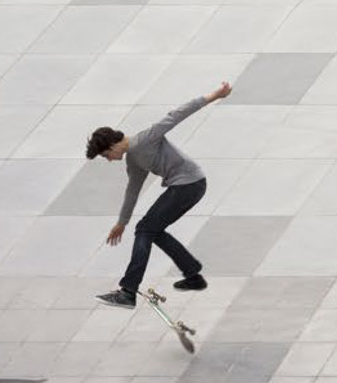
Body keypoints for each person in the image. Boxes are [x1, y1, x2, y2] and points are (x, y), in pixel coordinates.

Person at [87, 82, 233, 307]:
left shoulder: (146, 138)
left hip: (189, 184)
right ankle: (193, 275)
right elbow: (132, 191)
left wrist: (215, 95)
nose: (108, 159)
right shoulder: (133, 160)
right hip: (188, 186)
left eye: (106, 154)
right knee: (151, 230)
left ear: (113, 144)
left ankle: (128, 291)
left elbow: (178, 114)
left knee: (145, 229)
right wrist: (121, 223)